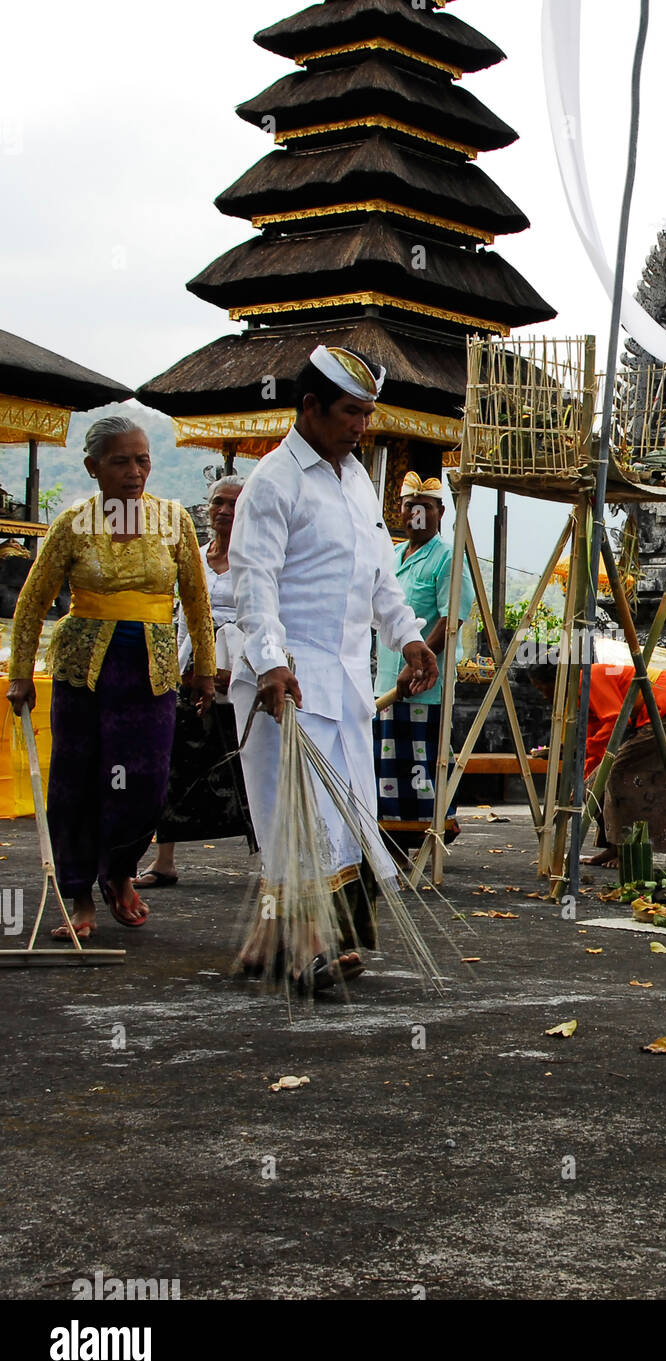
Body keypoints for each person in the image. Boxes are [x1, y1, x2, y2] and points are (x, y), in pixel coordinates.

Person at [228, 345, 438, 991]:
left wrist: (408, 639)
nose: (360, 427)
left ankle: (278, 944)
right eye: (350, 412)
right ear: (312, 406)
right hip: (284, 678)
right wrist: (268, 662)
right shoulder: (273, 482)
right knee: (297, 815)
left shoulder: (355, 482)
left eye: (367, 414)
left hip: (345, 678)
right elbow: (252, 582)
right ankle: (306, 947)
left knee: (344, 811)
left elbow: (380, 579)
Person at [5, 417, 215, 937]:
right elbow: (33, 601)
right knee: (76, 783)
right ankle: (79, 898)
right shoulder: (74, 523)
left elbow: (196, 600)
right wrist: (19, 673)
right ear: (92, 467)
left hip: (153, 674)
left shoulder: (173, 520)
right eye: (120, 461)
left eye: (142, 459)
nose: (134, 471)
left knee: (142, 783)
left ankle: (119, 873)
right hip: (83, 673)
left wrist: (204, 670)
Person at [136, 477, 255, 889]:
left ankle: (269, 866)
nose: (224, 511)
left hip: (242, 671)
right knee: (177, 761)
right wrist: (179, 667)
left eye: (234, 504)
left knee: (249, 765)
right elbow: (184, 616)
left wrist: (236, 668)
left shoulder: (255, 559)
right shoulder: (195, 557)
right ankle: (164, 859)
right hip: (192, 668)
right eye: (217, 503)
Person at [374, 471, 475, 854]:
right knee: (387, 765)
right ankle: (392, 841)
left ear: (440, 512)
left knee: (421, 764)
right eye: (409, 506)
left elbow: (452, 619)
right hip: (385, 677)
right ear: (399, 511)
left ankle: (427, 835)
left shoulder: (448, 557)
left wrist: (417, 662)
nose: (416, 513)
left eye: (425, 507)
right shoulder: (393, 556)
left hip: (423, 683)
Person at [527, 657, 666, 867]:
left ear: (557, 682)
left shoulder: (588, 678)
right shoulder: (580, 694)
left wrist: (592, 782)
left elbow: (614, 720)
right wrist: (586, 783)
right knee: (605, 779)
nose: (544, 696)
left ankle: (623, 848)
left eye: (543, 689)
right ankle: (615, 847)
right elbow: (594, 743)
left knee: (617, 775)